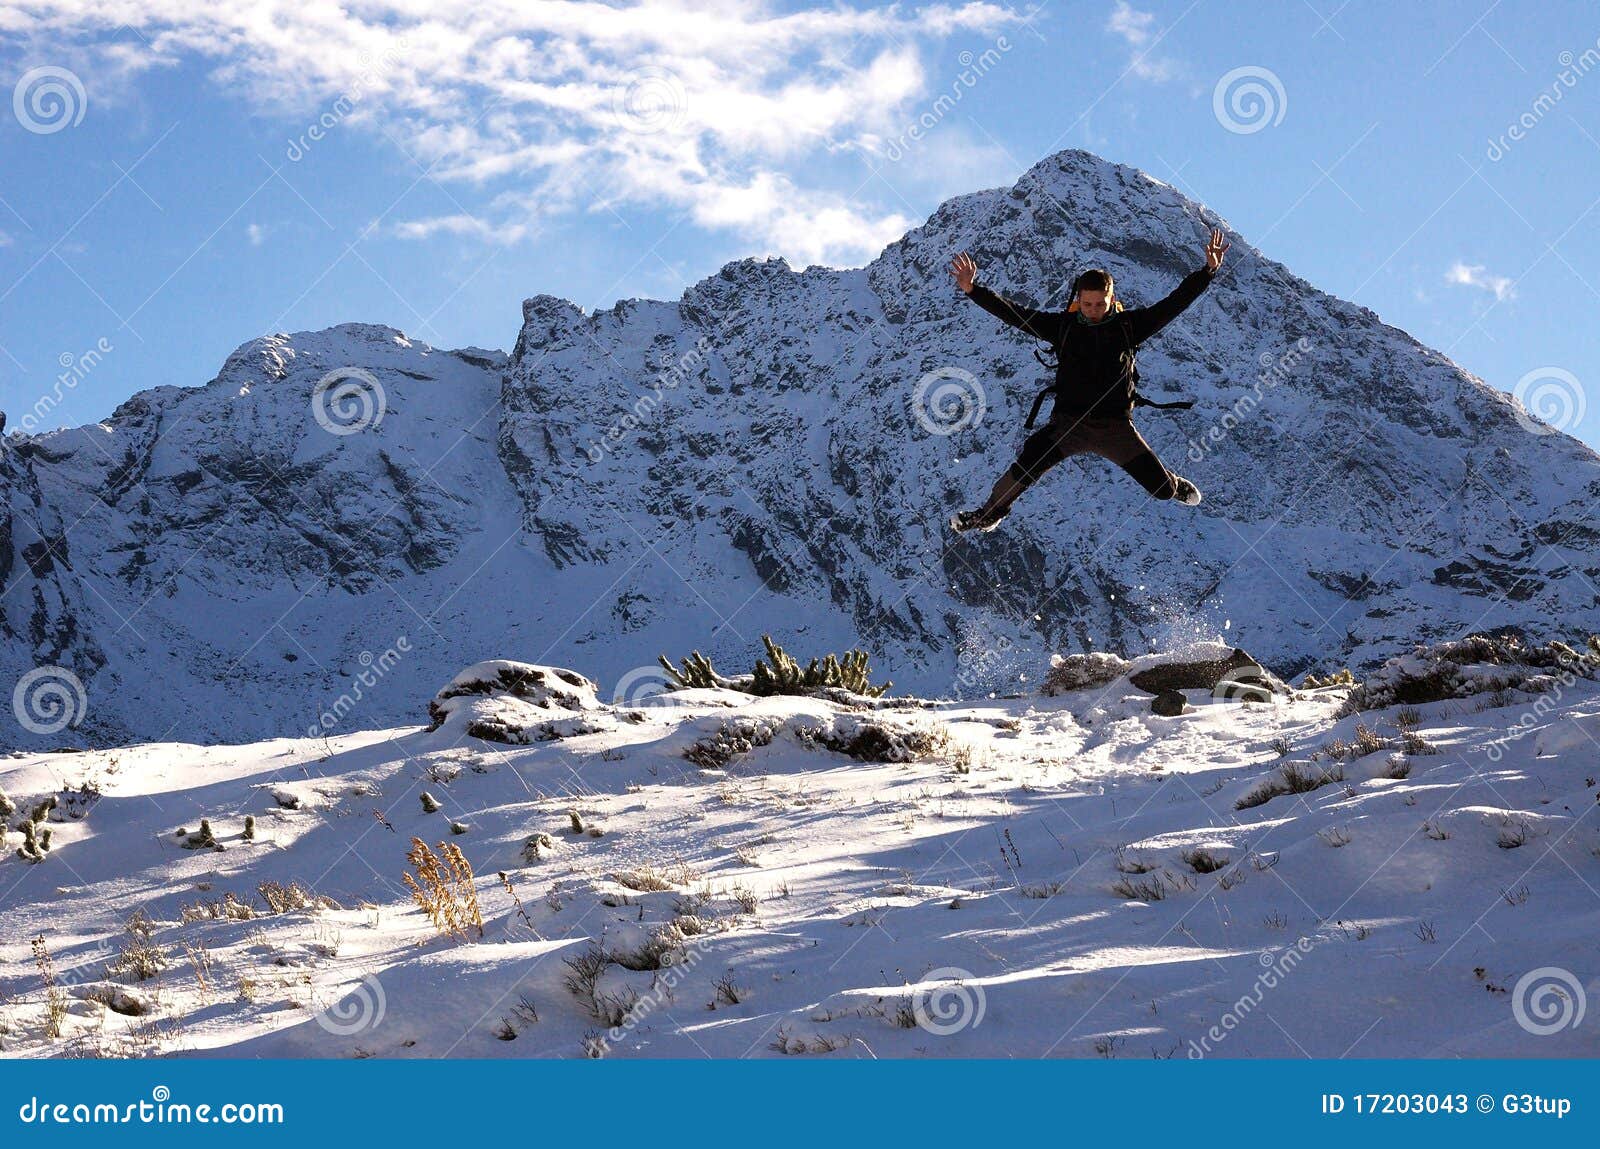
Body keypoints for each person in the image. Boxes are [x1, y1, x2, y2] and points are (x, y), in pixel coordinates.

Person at [946, 227, 1229, 533]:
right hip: (1067, 425)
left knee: (1161, 491)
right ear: (1078, 300)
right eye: (1088, 304)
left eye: (1100, 304)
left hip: (1115, 428)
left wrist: (1208, 272)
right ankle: (986, 515)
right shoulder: (1062, 327)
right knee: (1025, 467)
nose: (1094, 310)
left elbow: (1173, 304)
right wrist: (974, 290)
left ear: (1112, 299)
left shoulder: (1130, 326)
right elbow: (1014, 314)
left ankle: (1172, 483)